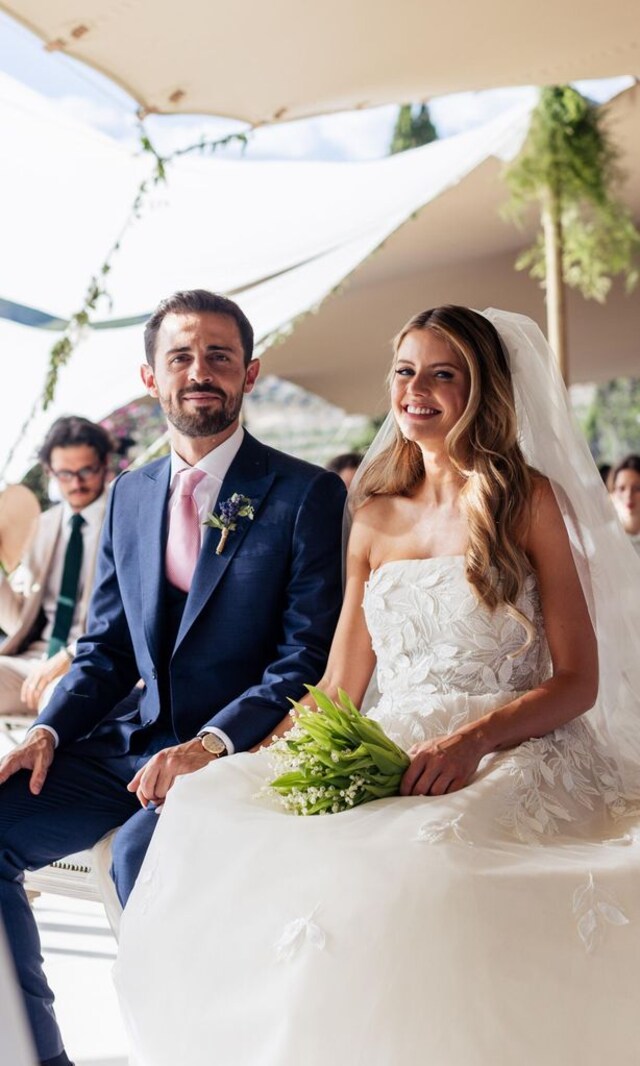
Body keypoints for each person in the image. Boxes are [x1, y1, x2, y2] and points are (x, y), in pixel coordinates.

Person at [115, 307, 640, 1066]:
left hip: (511, 747)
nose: (416, 390)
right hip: (389, 742)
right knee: (225, 819)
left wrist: (473, 741)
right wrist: (225, 754)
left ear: (480, 388)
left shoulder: (528, 501)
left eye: (441, 373)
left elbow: (578, 680)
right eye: (404, 371)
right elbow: (336, 686)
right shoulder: (372, 517)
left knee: (423, 872)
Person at [0, 289, 346, 1066]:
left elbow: (305, 659)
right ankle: (36, 1054)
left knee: (142, 859)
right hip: (128, 746)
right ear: (151, 377)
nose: (200, 371)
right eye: (181, 357)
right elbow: (107, 646)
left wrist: (211, 745)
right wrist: (48, 729)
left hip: (241, 753)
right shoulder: (130, 492)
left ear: (249, 373)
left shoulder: (306, 495)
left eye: (219, 356)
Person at [0, 417, 112, 716]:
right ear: (50, 472)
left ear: (104, 464)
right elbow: (18, 623)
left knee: (59, 703)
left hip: (85, 663)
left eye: (86, 470)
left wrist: (68, 655)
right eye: (65, 474)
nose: (76, 483)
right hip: (30, 662)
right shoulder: (41, 527)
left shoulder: (124, 518)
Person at [609, 453, 640, 557]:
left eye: (637, 488)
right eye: (622, 488)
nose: (629, 496)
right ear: (612, 492)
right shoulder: (602, 538)